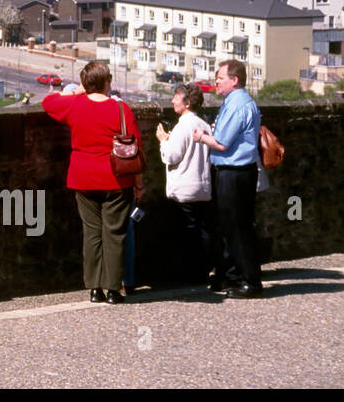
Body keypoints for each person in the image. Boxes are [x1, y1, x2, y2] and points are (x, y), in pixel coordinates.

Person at [42, 60, 143, 304]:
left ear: (86, 83)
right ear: (107, 82)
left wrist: (78, 91)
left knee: (92, 233)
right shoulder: (121, 109)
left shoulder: (75, 105)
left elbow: (48, 102)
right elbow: (136, 148)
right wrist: (139, 183)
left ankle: (94, 288)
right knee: (115, 234)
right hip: (116, 179)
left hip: (83, 177)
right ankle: (113, 289)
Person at [191, 59, 263, 298]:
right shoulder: (236, 102)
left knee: (238, 228)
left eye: (220, 78)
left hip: (235, 173)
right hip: (236, 172)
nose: (216, 82)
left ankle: (251, 281)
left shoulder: (236, 105)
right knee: (232, 226)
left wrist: (201, 136)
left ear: (235, 80)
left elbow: (221, 144)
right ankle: (232, 276)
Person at [155, 83, 216, 284]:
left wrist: (163, 139)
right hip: (203, 186)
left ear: (187, 103)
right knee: (203, 230)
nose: (173, 100)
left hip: (184, 188)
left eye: (176, 97)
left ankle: (191, 273)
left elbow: (171, 156)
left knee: (187, 232)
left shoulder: (183, 125)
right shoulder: (205, 124)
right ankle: (206, 269)